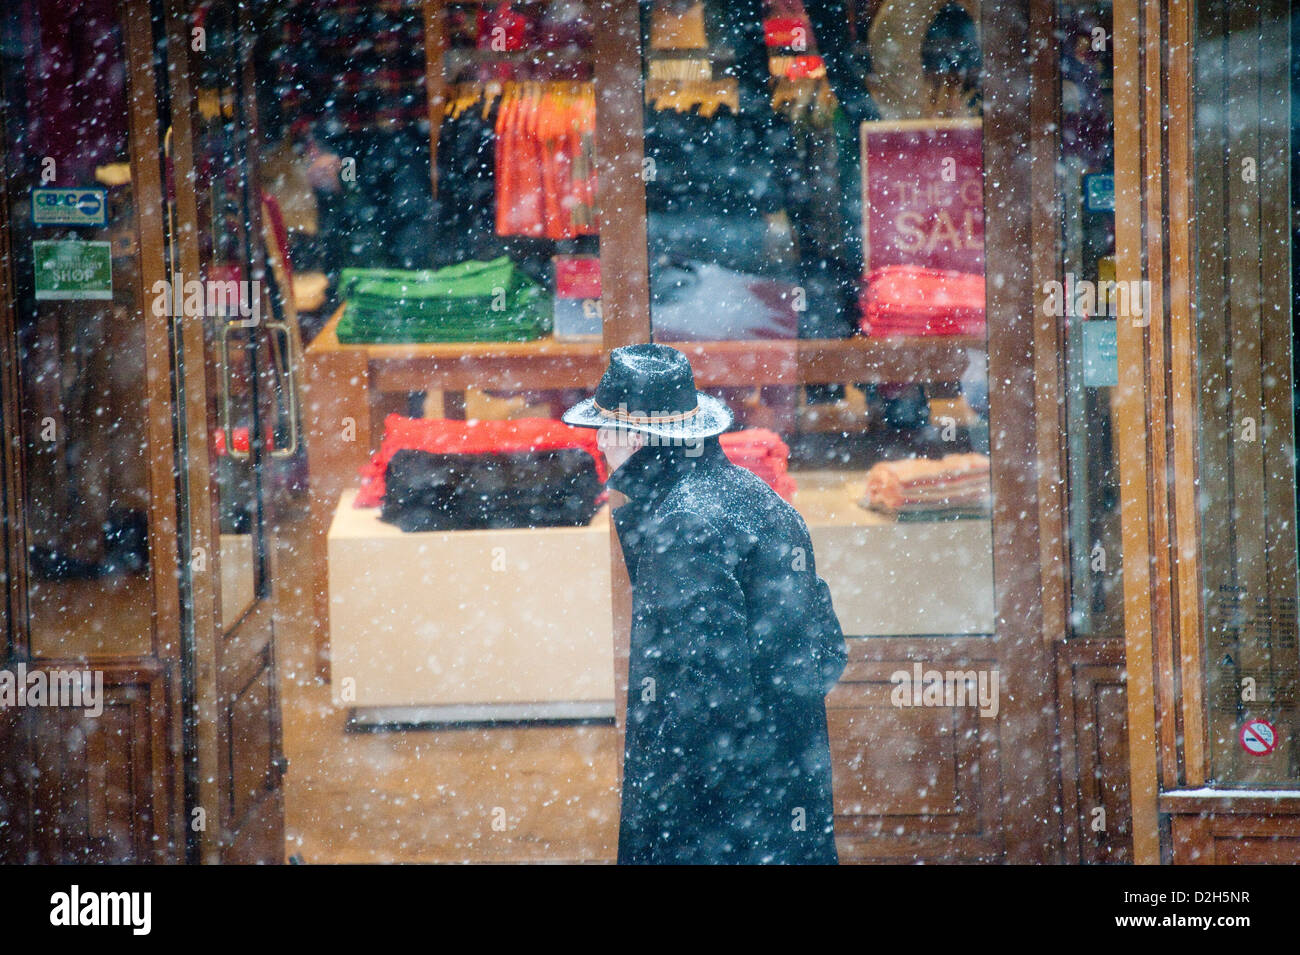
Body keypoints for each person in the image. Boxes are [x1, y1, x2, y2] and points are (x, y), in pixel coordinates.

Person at [563, 344, 848, 864]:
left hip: (723, 808)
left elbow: (700, 690)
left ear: (637, 436)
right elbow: (825, 649)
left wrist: (684, 797)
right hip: (787, 776)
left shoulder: (680, 523)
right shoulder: (753, 494)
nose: (599, 443)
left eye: (606, 429)